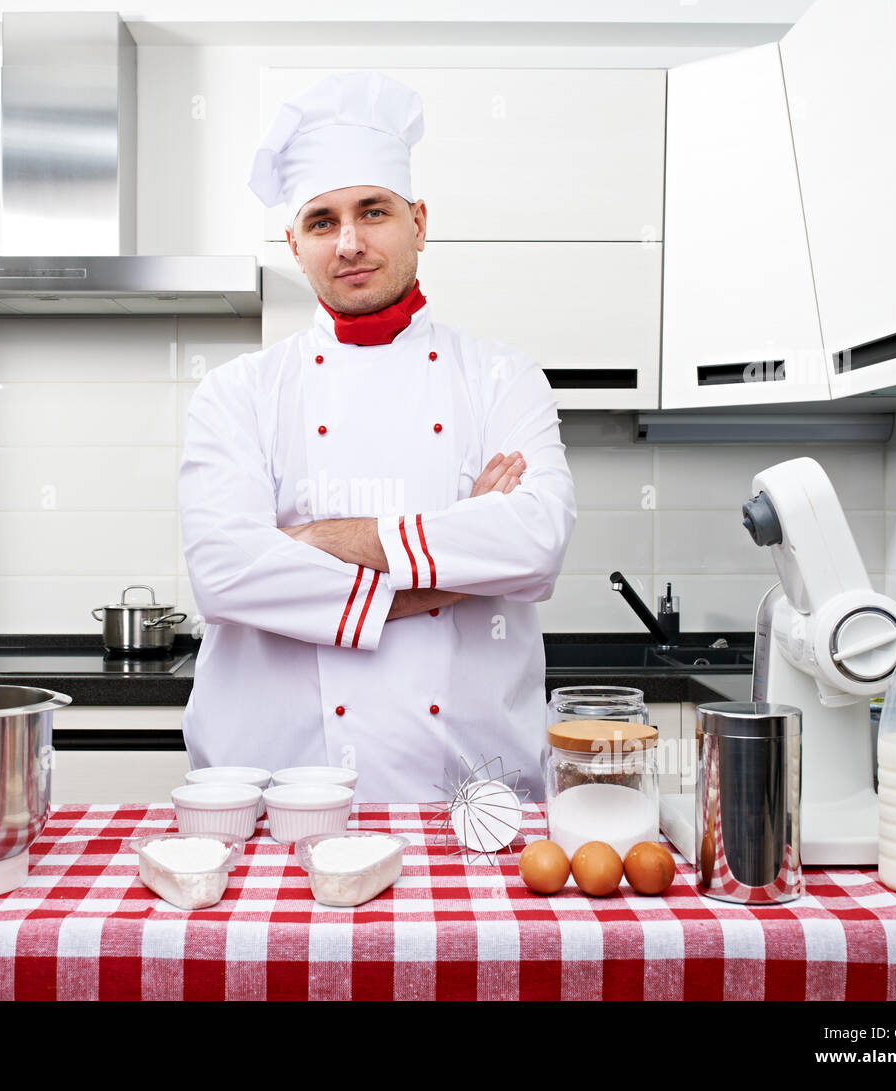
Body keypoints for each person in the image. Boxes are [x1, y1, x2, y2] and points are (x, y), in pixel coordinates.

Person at [178, 71, 576, 801]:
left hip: (474, 803)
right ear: (295, 245)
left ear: (419, 222)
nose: (351, 242)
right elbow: (225, 573)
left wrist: (304, 540)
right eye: (323, 222)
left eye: (374, 211)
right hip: (277, 798)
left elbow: (535, 543)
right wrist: (454, 561)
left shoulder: (503, 377)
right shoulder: (236, 393)